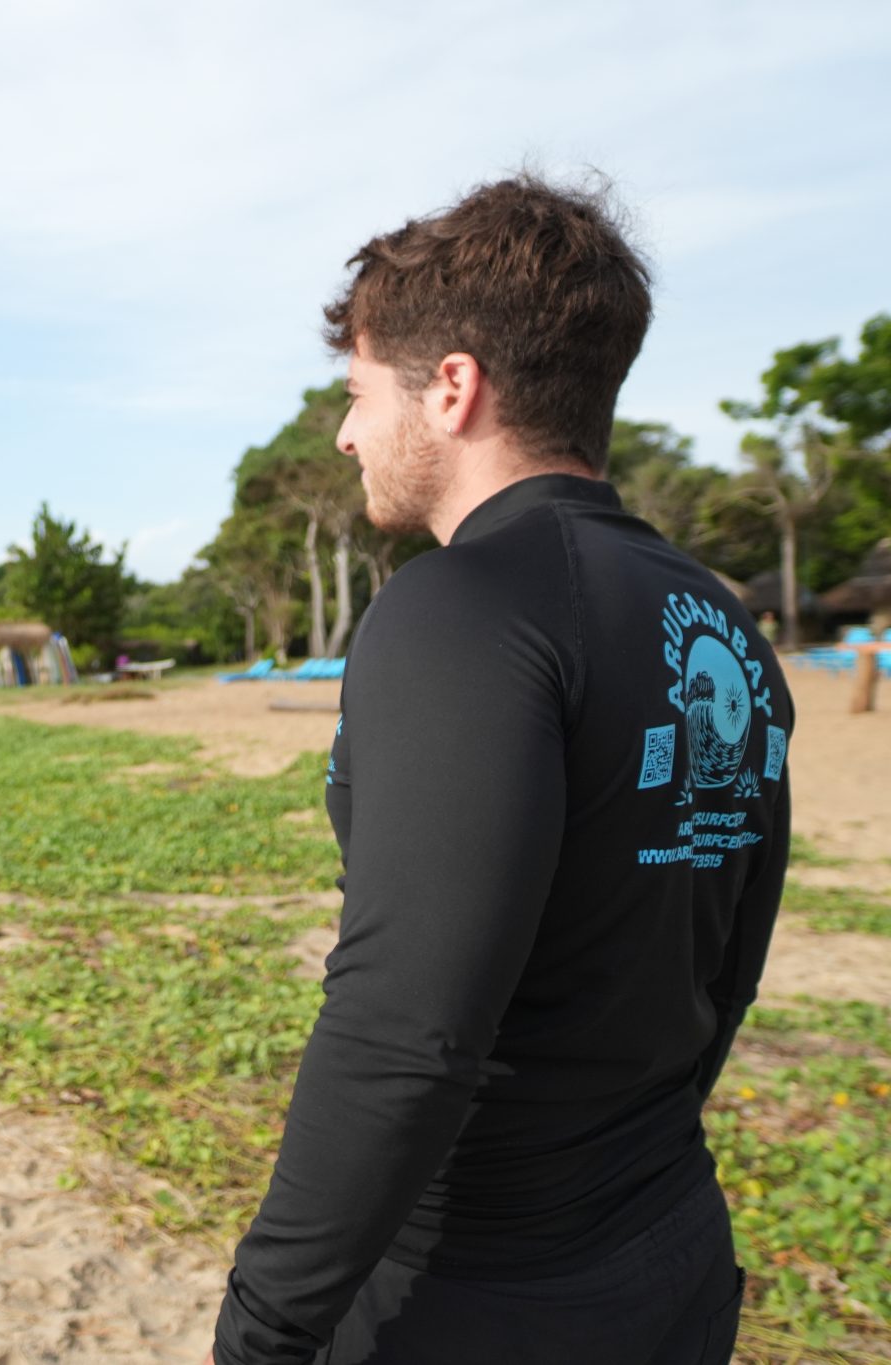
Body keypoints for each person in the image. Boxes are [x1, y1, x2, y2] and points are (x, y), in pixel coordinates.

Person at [210, 177, 794, 1365]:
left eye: (356, 395)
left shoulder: (460, 611)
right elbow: (726, 962)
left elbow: (403, 1027)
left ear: (452, 386)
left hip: (473, 1293)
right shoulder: (717, 620)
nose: (344, 434)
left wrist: (263, 1328)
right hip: (666, 1254)